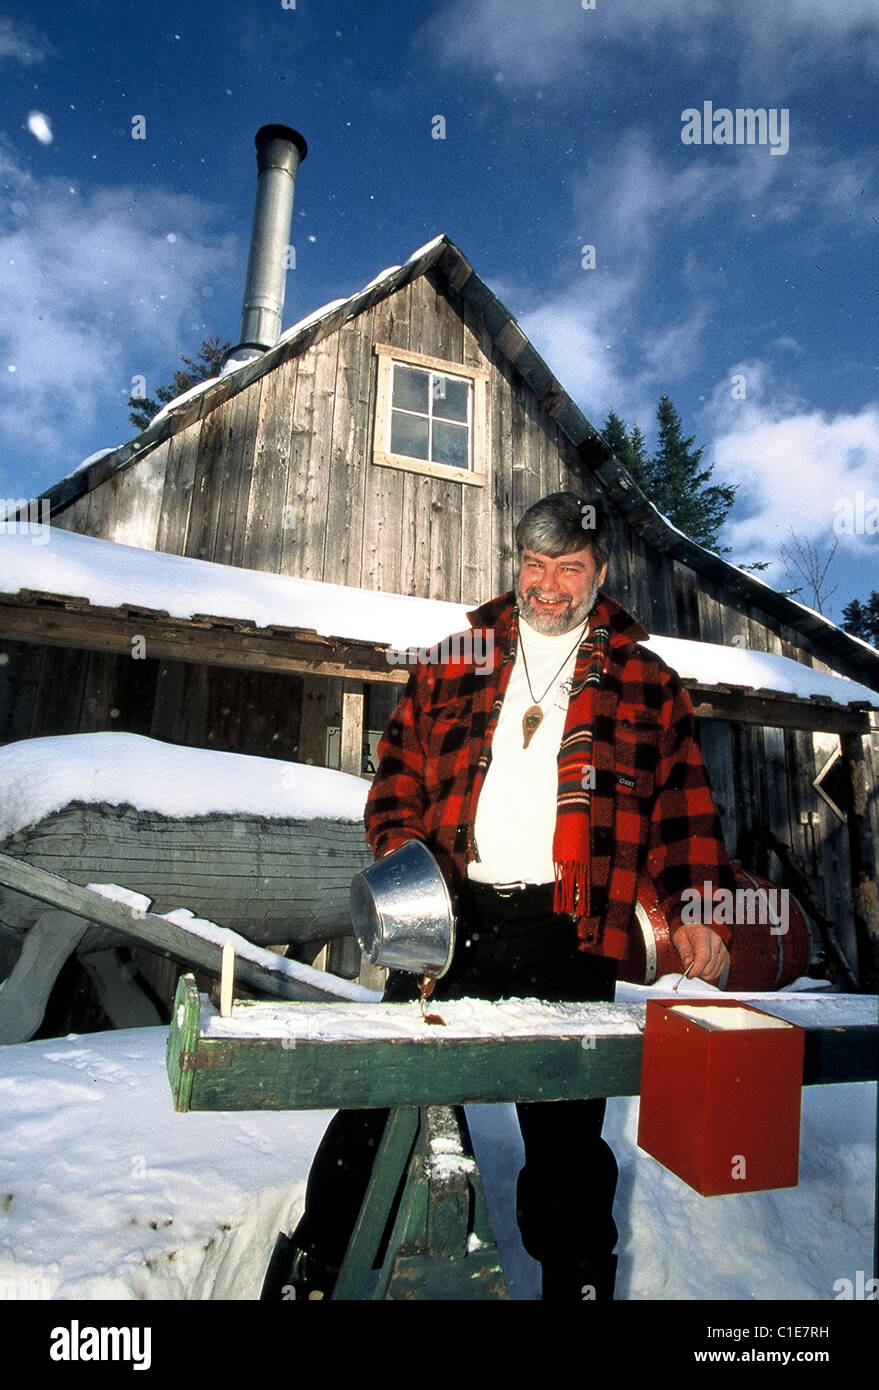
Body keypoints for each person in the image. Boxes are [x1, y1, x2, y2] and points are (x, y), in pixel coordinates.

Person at [270, 491, 736, 1301]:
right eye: (533, 564)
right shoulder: (458, 655)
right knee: (377, 1104)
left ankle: (576, 1287)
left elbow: (682, 808)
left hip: (570, 926)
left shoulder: (645, 680)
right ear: (515, 564)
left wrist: (697, 909)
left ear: (600, 575)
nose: (547, 584)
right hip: (451, 920)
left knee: (565, 1139)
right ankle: (316, 1276)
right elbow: (397, 778)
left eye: (569, 567)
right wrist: (403, 863)